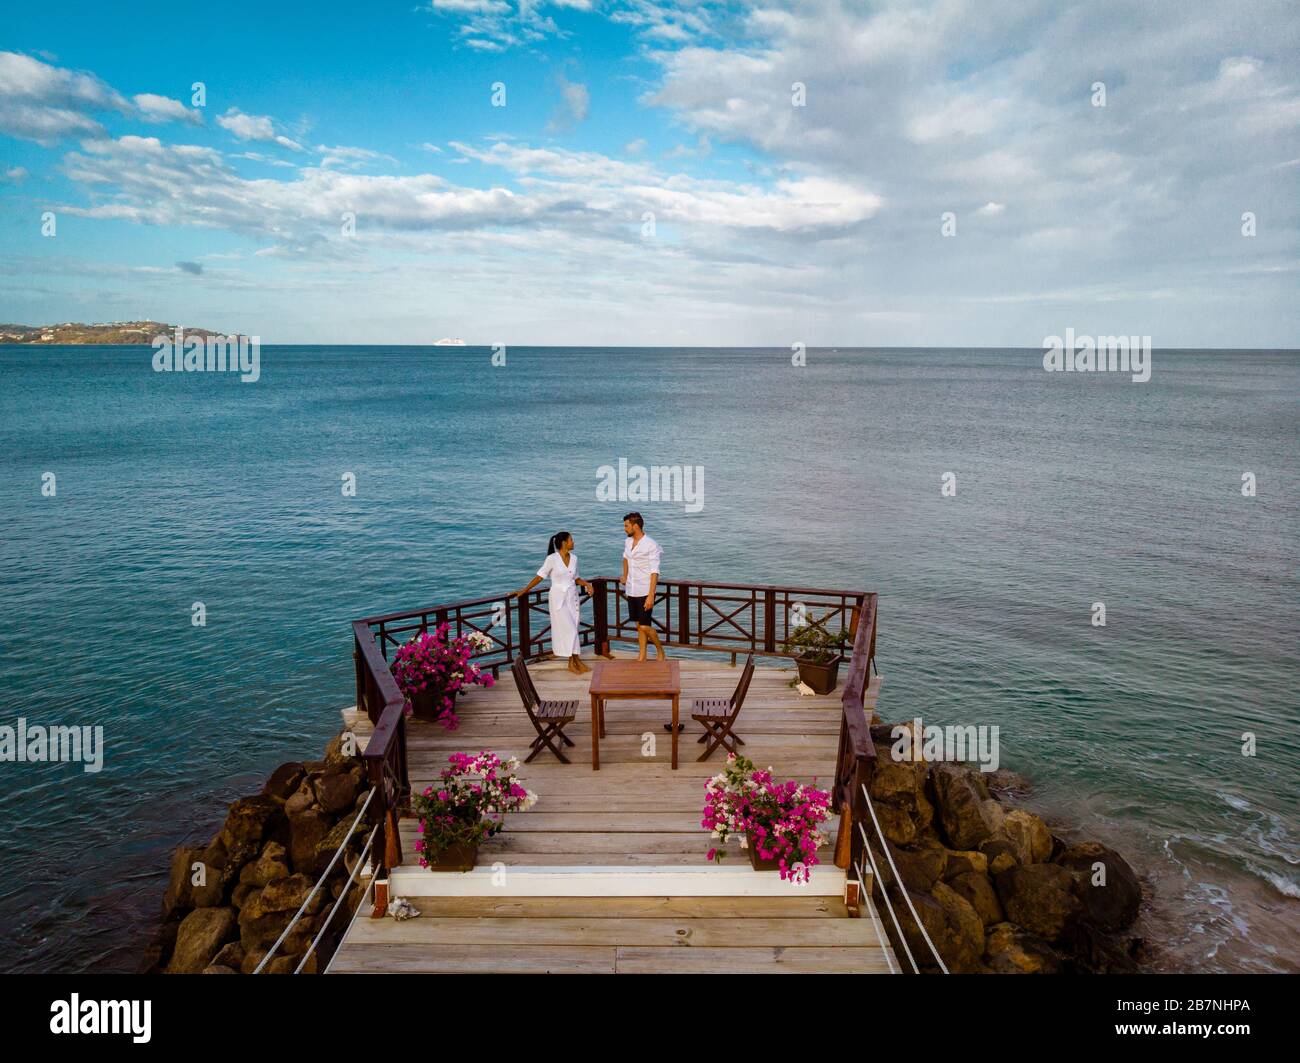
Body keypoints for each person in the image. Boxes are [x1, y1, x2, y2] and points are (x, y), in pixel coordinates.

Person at [515, 531, 594, 675]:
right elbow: (540, 576)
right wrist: (525, 590)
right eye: (571, 540)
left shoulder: (574, 558)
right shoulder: (552, 559)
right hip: (558, 599)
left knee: (574, 628)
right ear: (564, 542)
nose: (573, 542)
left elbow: (575, 578)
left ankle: (574, 661)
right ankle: (574, 661)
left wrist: (587, 584)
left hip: (572, 597)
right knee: (569, 629)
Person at [621, 512, 666, 664]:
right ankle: (642, 656)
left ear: (636, 526)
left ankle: (660, 650)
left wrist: (651, 596)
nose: (625, 529)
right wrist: (624, 576)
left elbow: (655, 572)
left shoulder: (651, 545)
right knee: (639, 626)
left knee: (645, 626)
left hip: (644, 591)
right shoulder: (627, 542)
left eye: (626, 526)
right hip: (631, 590)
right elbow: (626, 558)